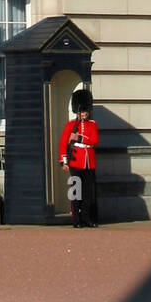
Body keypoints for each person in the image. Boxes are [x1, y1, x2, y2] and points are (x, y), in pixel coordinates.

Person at [59, 90, 99, 227]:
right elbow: (63, 143)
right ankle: (76, 219)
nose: (85, 113)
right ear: (78, 111)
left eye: (86, 111)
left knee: (88, 192)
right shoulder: (71, 125)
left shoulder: (92, 124)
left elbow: (95, 140)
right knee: (76, 192)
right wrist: (64, 162)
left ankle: (86, 218)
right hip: (75, 162)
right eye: (82, 111)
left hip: (89, 162)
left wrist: (80, 138)